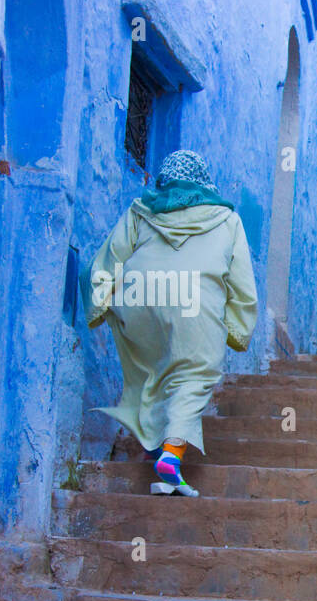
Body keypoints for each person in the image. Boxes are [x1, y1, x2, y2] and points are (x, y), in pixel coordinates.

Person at [86, 150, 258, 496]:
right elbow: (241, 283)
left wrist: (100, 302)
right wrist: (237, 329)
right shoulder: (226, 219)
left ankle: (154, 440)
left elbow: (110, 256)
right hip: (193, 302)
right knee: (194, 374)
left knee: (154, 371)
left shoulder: (140, 210)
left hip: (138, 298)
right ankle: (171, 453)